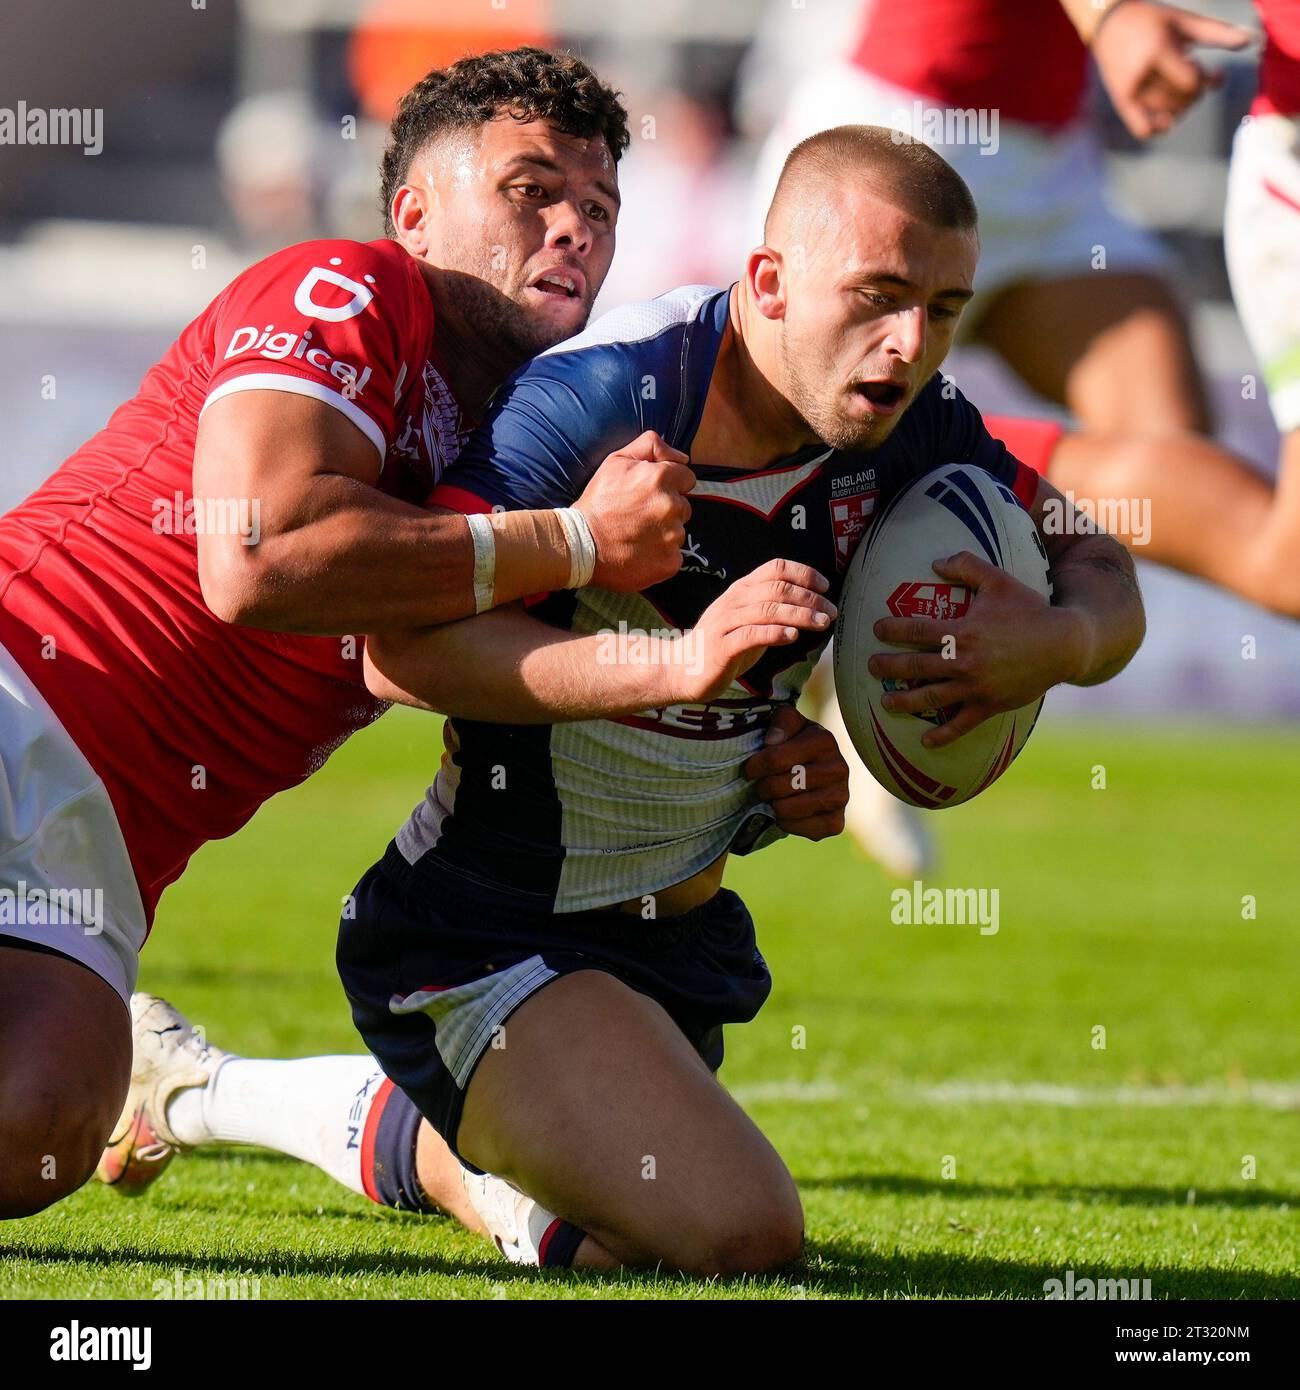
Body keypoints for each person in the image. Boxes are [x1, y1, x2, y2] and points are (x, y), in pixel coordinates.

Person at [105, 128, 1145, 1275]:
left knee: (632, 1204)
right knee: (736, 1231)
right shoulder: (603, 397)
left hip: (673, 942)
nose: (910, 345)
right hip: (487, 938)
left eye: (945, 308)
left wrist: (1053, 638)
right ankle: (414, 1143)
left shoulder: (910, 421)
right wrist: (677, 663)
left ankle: (198, 1088)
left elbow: (1090, 555)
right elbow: (397, 655)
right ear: (768, 282)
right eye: (879, 297)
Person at [0, 46, 759, 1221]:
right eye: (530, 191)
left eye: (599, 207)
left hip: (104, 859)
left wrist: (763, 761)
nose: (574, 229)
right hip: (21, 683)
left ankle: (194, 1087)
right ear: (415, 210)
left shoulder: (533, 436)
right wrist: (570, 541)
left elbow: (438, 665)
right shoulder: (349, 287)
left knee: (35, 1134)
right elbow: (257, 557)